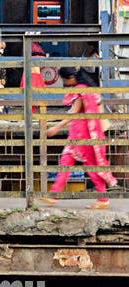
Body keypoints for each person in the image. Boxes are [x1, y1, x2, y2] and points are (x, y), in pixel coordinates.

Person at [45, 66, 117, 208]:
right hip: (77, 133)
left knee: (90, 166)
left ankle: (103, 199)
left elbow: (74, 112)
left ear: (71, 78)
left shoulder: (81, 90)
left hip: (86, 135)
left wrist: (56, 127)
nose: (65, 83)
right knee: (66, 161)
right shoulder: (84, 89)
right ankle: (53, 195)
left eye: (65, 80)